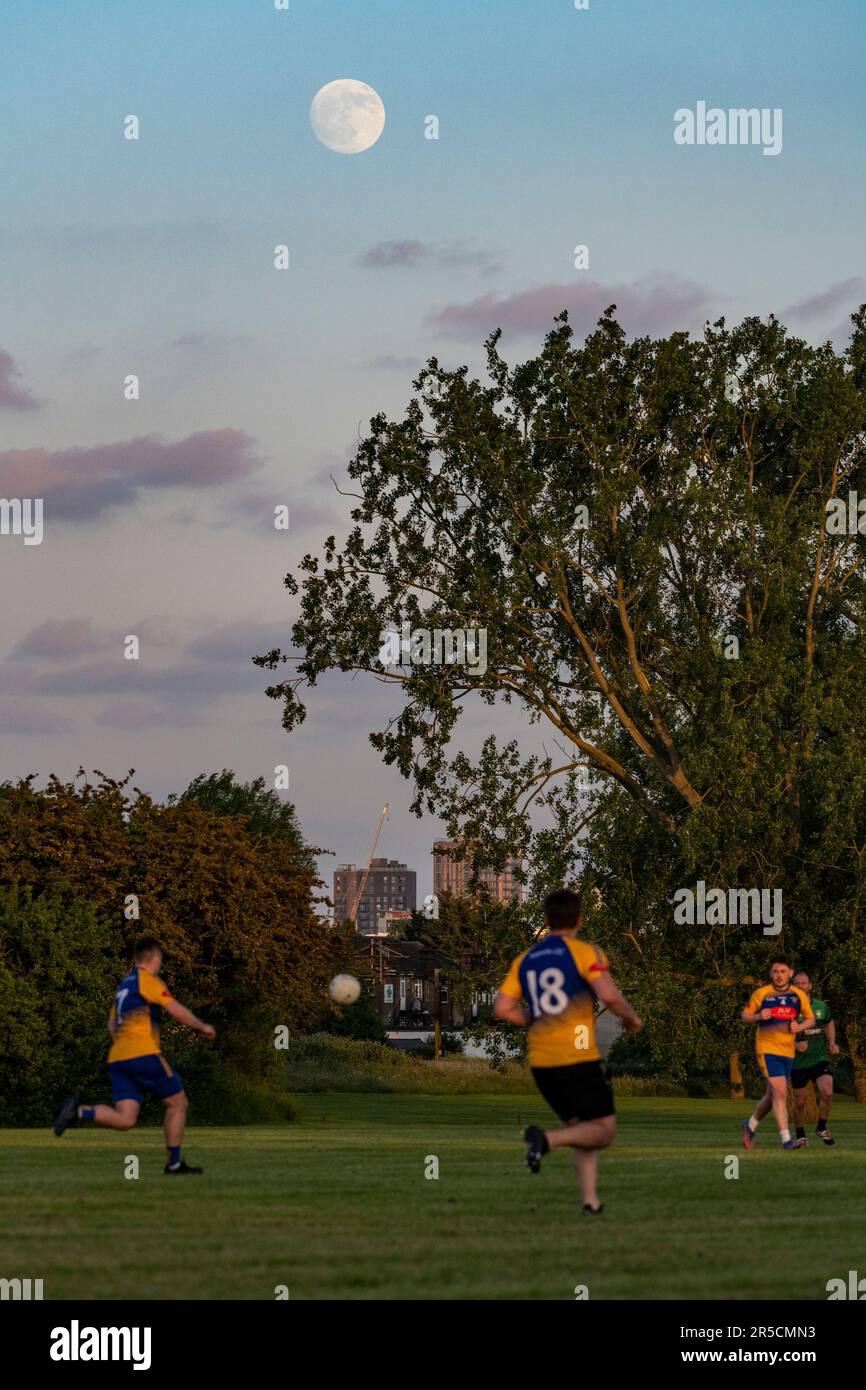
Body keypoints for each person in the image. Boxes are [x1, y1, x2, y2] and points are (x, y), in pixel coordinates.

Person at [493, 887, 642, 1214]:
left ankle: (590, 1202)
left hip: (543, 1064)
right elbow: (611, 996)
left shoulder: (526, 959)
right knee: (603, 1133)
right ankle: (545, 1140)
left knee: (583, 1130)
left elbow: (502, 1008)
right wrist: (631, 1018)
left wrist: (533, 1019)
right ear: (580, 919)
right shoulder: (586, 953)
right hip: (577, 1058)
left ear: (546, 920)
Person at [53, 937, 215, 1174]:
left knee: (126, 1119)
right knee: (178, 1103)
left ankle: (77, 1113)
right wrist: (202, 1027)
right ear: (155, 960)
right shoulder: (147, 981)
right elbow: (176, 1010)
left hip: (118, 1057)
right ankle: (174, 1164)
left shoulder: (124, 986)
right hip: (143, 1054)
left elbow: (112, 1024)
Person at [741, 955, 813, 1151]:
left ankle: (750, 1125)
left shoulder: (798, 995)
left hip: (788, 1052)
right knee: (781, 1092)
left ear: (790, 973)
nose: (779, 975)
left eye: (783, 971)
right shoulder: (761, 994)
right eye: (775, 971)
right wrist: (758, 1016)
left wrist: (799, 1027)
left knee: (772, 1095)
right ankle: (786, 1140)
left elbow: (810, 1020)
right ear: (770, 973)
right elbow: (744, 1016)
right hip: (767, 1049)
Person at [791, 971, 839, 1147]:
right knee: (800, 1103)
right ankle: (800, 1135)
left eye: (804, 983)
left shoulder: (820, 1007)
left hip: (819, 1059)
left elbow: (829, 1022)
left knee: (827, 1092)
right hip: (798, 1063)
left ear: (810, 986)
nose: (801, 986)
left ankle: (821, 1127)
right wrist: (795, 1045)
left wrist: (832, 1042)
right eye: (797, 984)